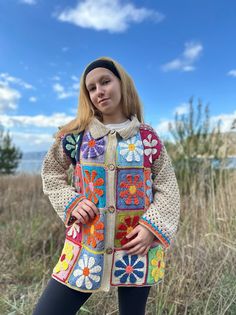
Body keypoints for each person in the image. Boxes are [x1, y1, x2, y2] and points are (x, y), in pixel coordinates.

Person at [33, 57, 180, 315]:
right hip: (87, 245)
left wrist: (152, 228)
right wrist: (71, 201)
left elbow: (167, 183)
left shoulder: (146, 137)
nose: (99, 91)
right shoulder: (76, 135)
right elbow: (51, 172)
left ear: (122, 83)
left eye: (105, 81)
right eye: (91, 88)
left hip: (137, 248)